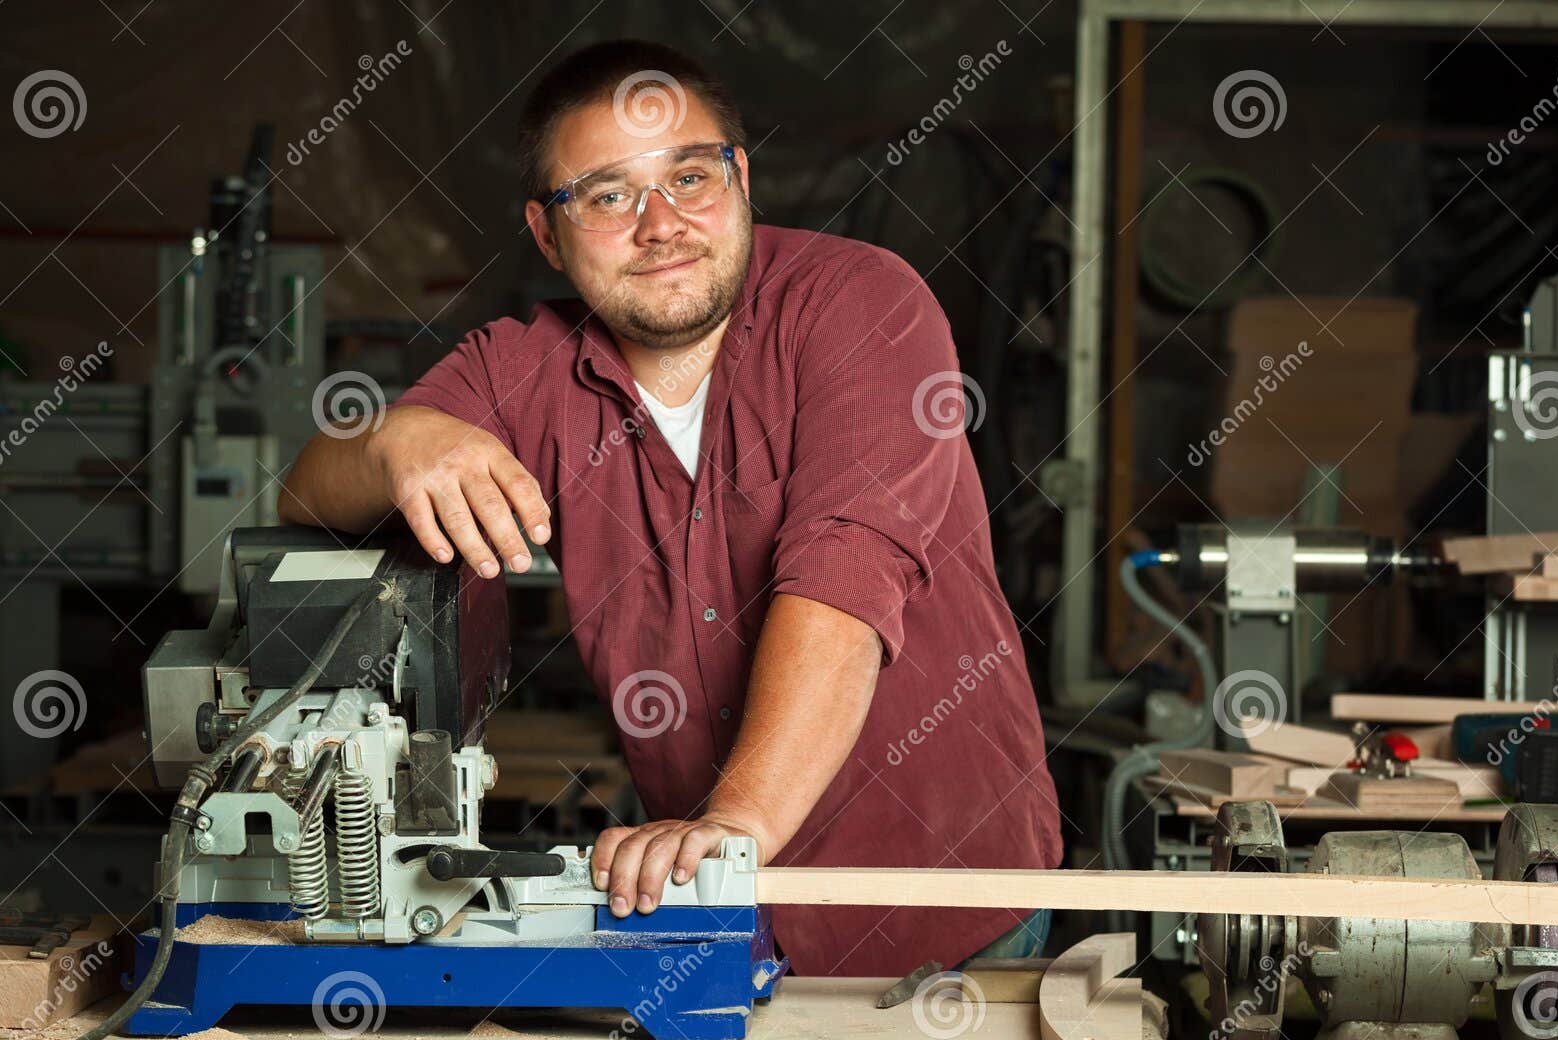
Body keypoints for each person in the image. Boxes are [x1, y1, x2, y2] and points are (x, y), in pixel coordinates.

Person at [279, 39, 1062, 977]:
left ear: (739, 176)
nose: (661, 224)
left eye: (689, 176)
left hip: (947, 919)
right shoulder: (520, 367)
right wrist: (397, 439)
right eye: (607, 195)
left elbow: (846, 578)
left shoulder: (864, 304)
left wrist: (735, 825)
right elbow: (305, 492)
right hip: (722, 924)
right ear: (546, 232)